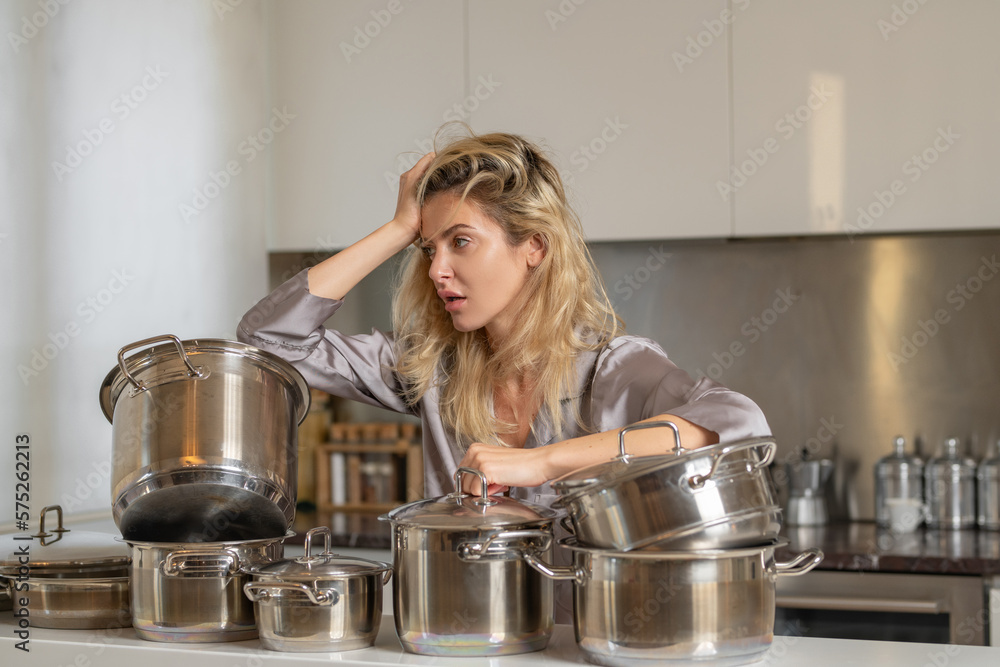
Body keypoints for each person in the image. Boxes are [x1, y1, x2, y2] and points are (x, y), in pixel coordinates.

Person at [238, 127, 770, 505]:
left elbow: (741, 424)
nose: (436, 270)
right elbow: (268, 340)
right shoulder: (430, 371)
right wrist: (399, 228)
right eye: (428, 249)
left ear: (533, 246)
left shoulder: (613, 372)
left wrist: (543, 463)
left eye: (461, 242)